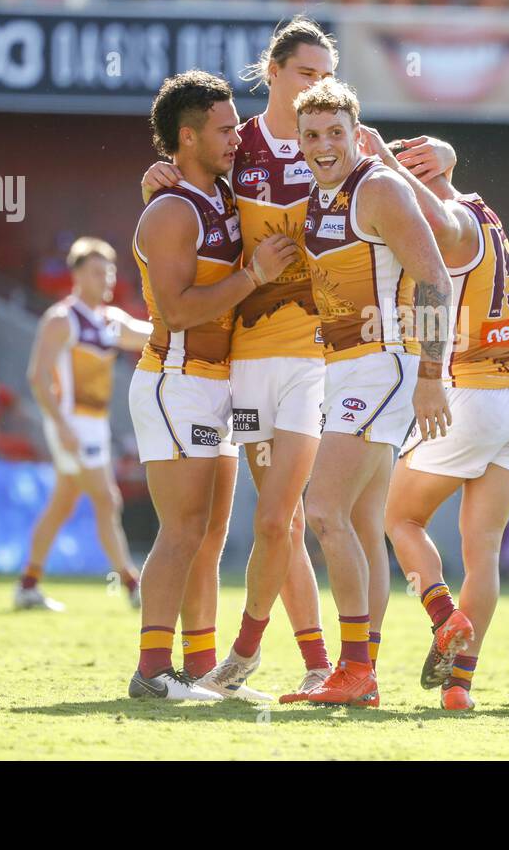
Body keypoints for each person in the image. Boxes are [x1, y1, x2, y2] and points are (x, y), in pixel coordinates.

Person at [138, 18, 457, 701]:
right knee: (280, 519)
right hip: (250, 356)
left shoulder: (347, 147)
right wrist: (160, 174)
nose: (316, 86)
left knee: (320, 513)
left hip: (332, 358)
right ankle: (329, 661)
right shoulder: (236, 144)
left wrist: (444, 157)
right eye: (305, 72)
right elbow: (188, 187)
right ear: (273, 70)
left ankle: (329, 661)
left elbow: (427, 202)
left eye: (326, 75)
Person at [125, 70, 297, 701]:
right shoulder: (172, 208)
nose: (237, 138)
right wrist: (252, 275)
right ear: (188, 136)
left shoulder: (219, 196)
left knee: (211, 532)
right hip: (177, 381)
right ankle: (151, 670)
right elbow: (176, 310)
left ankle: (199, 669)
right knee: (182, 528)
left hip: (215, 384)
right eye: (225, 129)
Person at [358, 130, 509, 711]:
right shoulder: (484, 211)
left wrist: (386, 161)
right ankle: (460, 686)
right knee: (482, 549)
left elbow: (438, 222)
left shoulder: (454, 220)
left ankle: (442, 615)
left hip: (473, 392)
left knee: (398, 516)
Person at [291, 78, 453, 707]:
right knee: (359, 524)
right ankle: (365, 668)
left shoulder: (378, 187)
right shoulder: (317, 195)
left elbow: (435, 279)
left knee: (322, 510)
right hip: (346, 370)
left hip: (384, 367)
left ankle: (354, 667)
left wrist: (433, 377)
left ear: (358, 134)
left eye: (337, 132)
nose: (325, 145)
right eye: (312, 135)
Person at [16, 236, 155, 612]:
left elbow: (158, 335)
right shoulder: (62, 319)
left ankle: (28, 584)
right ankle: (132, 585)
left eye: (109, 272)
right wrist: (60, 425)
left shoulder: (110, 320)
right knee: (107, 498)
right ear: (76, 274)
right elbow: (37, 376)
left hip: (95, 424)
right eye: (96, 272)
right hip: (72, 422)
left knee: (62, 504)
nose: (106, 279)